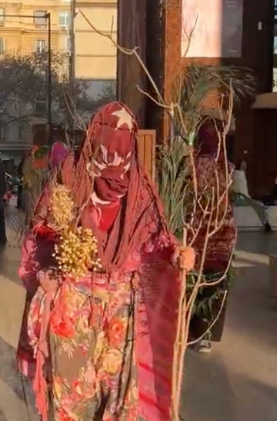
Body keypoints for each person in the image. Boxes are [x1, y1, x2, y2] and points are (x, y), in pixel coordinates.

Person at [18, 102, 195, 421]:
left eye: (126, 135)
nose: (116, 146)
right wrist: (48, 268)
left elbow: (156, 239)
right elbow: (42, 229)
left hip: (120, 306)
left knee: (116, 394)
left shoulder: (140, 185)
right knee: (72, 393)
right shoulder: (71, 174)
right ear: (95, 134)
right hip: (72, 303)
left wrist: (176, 255)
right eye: (110, 134)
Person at [188, 119, 237, 354]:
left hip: (198, 235)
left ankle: (194, 333)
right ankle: (206, 334)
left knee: (196, 286)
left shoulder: (193, 165)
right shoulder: (225, 167)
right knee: (213, 286)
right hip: (220, 234)